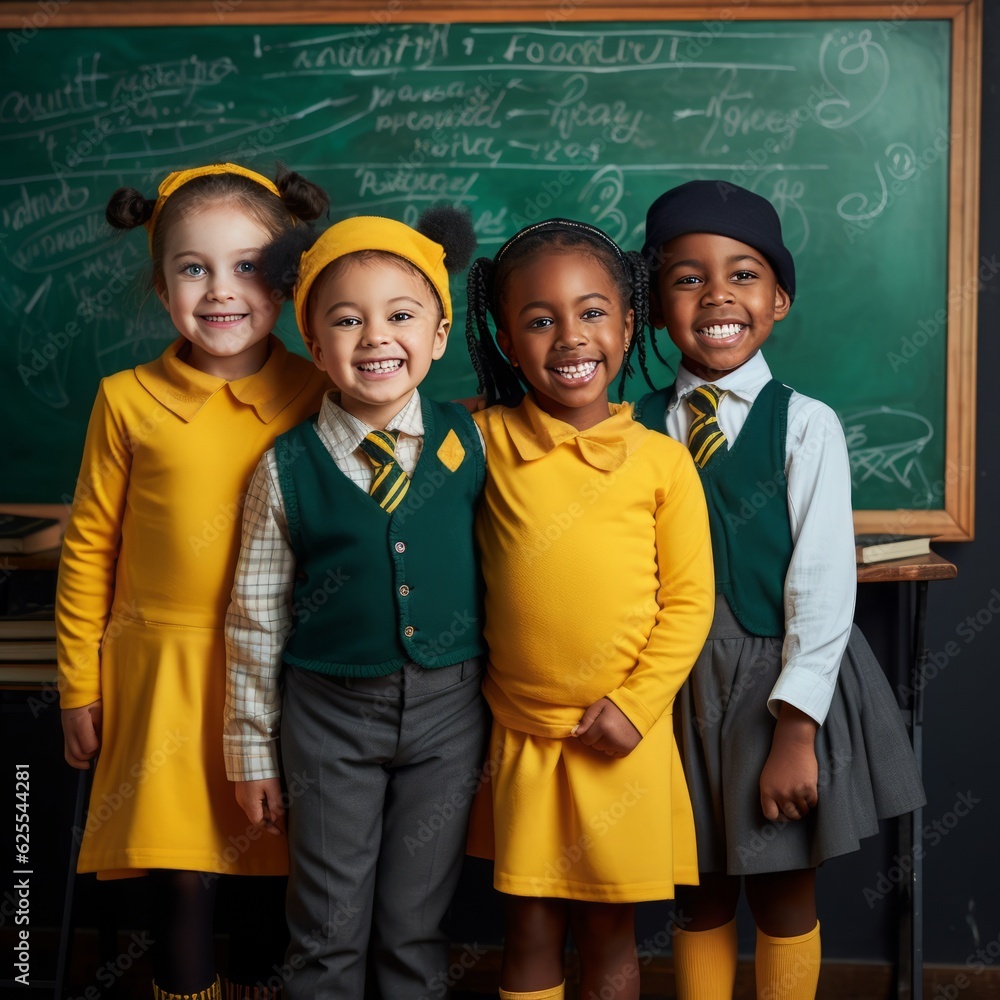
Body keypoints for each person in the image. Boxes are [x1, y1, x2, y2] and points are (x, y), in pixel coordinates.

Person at [633, 179, 926, 1000]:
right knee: (696, 890)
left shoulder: (805, 423)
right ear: (653, 307)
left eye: (743, 274)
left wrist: (797, 729)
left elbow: (824, 584)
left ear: (780, 300)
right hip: (673, 685)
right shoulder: (633, 426)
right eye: (686, 278)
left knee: (782, 885)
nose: (716, 295)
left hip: (779, 680)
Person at [56, 162, 331, 999]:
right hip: (160, 677)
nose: (221, 291)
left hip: (282, 674)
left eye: (247, 266)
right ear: (161, 285)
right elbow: (89, 548)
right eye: (192, 268)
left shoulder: (320, 391)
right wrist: (76, 684)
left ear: (286, 280)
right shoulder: (126, 400)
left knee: (268, 874)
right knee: (181, 879)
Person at [224, 208, 488, 999]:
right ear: (313, 343)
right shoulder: (286, 468)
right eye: (346, 320)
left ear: (439, 335)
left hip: (450, 714)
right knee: (326, 929)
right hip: (328, 718)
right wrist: (251, 753)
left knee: (415, 925)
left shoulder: (472, 441)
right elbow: (254, 619)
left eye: (401, 316)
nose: (376, 338)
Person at [464, 218, 716, 1000]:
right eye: (540, 321)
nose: (571, 337)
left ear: (630, 324)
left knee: (611, 933)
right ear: (507, 342)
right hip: (523, 733)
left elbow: (689, 603)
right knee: (530, 926)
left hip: (623, 738)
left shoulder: (663, 463)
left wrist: (636, 706)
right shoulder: (479, 444)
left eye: (593, 313)